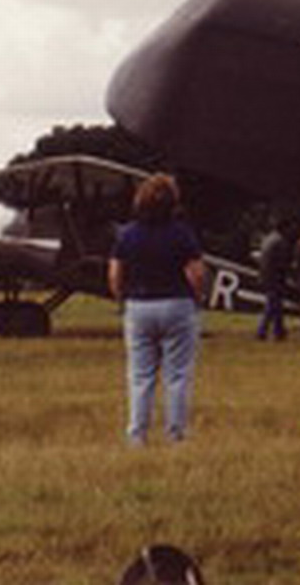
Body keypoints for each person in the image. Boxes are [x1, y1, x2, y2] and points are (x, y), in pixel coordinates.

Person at [106, 173, 206, 445]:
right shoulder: (182, 233)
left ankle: (137, 436)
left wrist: (121, 300)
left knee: (140, 376)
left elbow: (115, 275)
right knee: (178, 375)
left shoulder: (127, 235)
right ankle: (176, 435)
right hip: (177, 304)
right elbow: (196, 273)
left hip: (138, 306)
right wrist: (198, 299)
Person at [253, 223, 291, 341]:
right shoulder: (280, 242)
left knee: (276, 304)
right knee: (271, 305)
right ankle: (262, 330)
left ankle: (279, 330)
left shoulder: (267, 239)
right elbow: (282, 262)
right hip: (275, 277)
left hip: (266, 276)